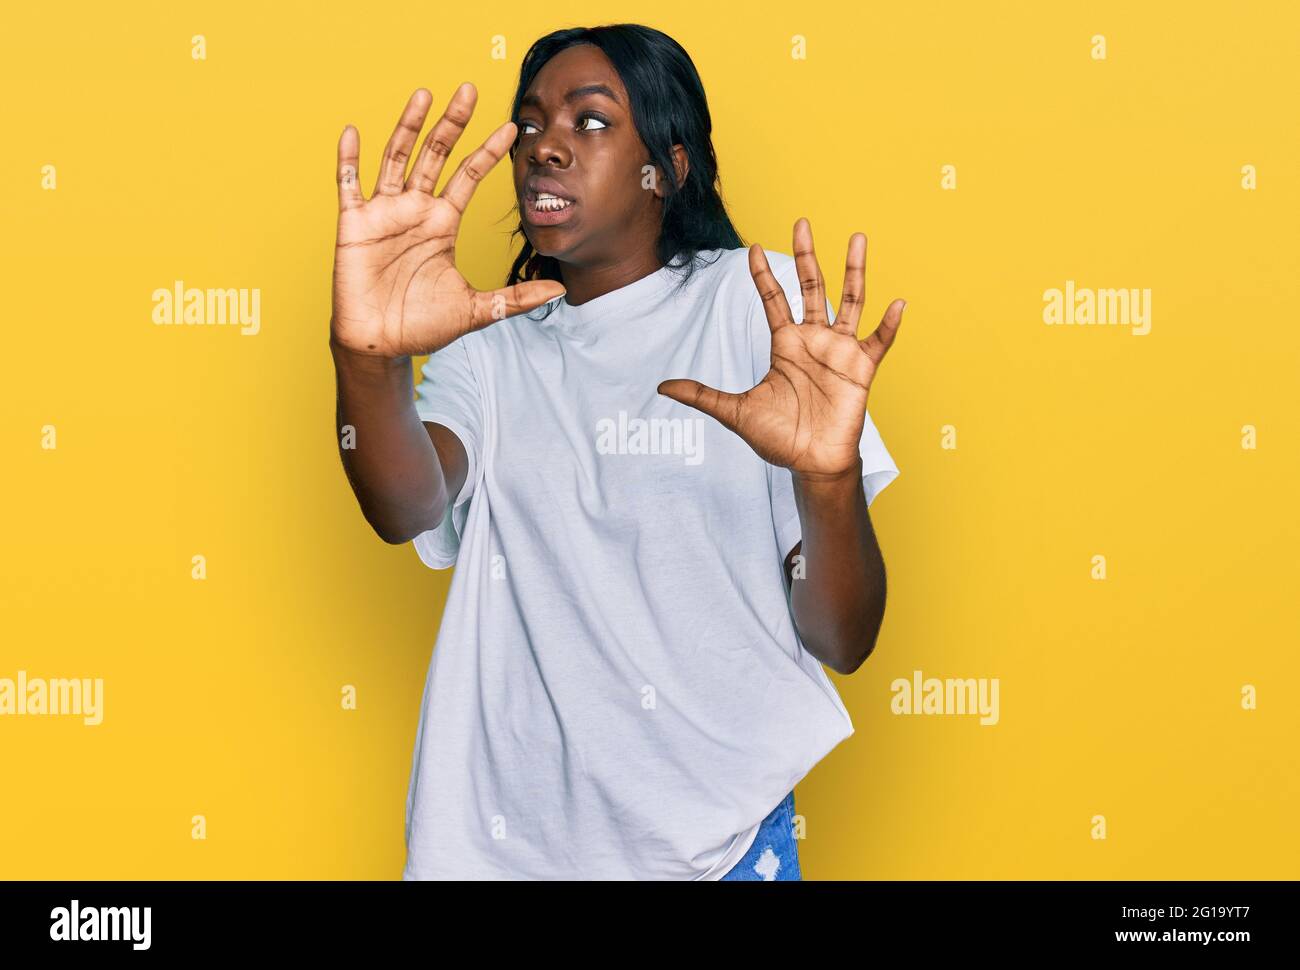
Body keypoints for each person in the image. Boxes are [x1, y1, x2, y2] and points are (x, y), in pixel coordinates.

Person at [329, 23, 906, 880]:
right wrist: (366, 359)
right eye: (531, 124)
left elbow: (840, 637)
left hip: (718, 849)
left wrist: (828, 478)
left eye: (590, 122)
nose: (545, 148)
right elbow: (405, 505)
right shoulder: (492, 340)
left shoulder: (756, 305)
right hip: (499, 854)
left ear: (668, 169)